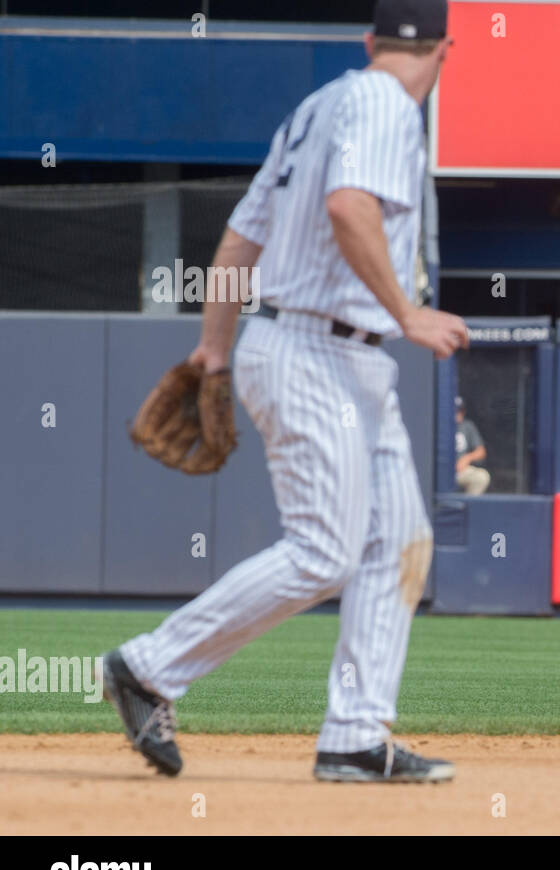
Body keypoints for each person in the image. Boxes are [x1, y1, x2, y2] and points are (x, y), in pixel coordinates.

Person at [99, 0, 470, 782]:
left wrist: (213, 344)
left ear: (371, 42)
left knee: (399, 540)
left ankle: (355, 737)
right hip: (316, 349)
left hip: (330, 353)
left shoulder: (319, 104)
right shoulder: (386, 104)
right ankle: (148, 666)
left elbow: (241, 236)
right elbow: (348, 207)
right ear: (445, 52)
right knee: (325, 550)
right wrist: (409, 312)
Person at [454, 396, 490, 494]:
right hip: (441, 475)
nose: (458, 414)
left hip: (461, 471)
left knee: (481, 477)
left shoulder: (467, 426)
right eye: (455, 410)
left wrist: (467, 458)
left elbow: (481, 452)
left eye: (460, 410)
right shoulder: (438, 425)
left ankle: (468, 507)